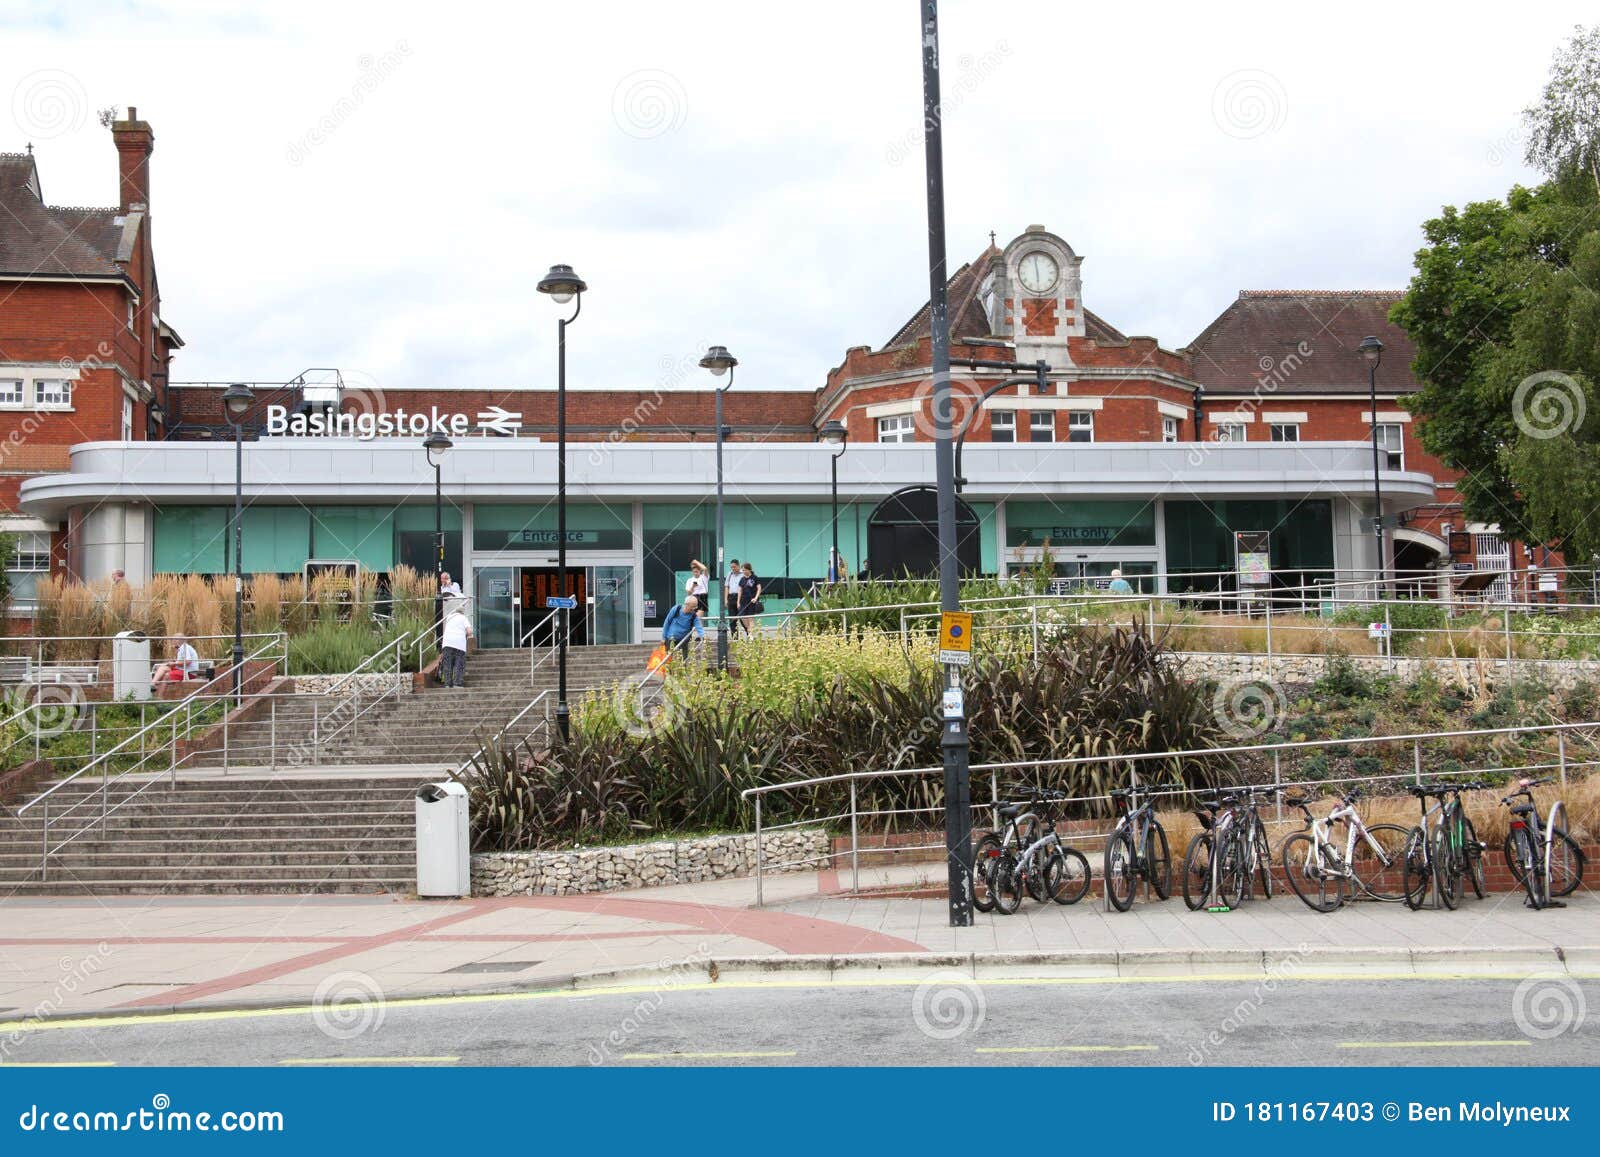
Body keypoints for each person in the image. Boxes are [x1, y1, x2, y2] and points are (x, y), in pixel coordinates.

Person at [439, 605, 473, 688]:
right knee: (459, 663)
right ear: (462, 612)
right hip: (459, 644)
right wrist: (468, 634)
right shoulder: (463, 618)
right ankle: (457, 683)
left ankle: (447, 684)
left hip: (447, 643)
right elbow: (469, 631)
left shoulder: (449, 617)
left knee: (447, 663)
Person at [661, 594, 704, 658]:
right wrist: (663, 638)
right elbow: (667, 623)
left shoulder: (693, 616)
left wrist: (703, 636)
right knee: (668, 659)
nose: (694, 609)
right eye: (692, 606)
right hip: (670, 639)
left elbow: (698, 627)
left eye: (695, 607)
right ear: (686, 605)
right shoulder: (676, 609)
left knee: (684, 660)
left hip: (683, 640)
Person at [737, 562, 764, 636]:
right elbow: (739, 590)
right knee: (742, 616)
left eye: (745, 570)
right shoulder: (742, 579)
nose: (744, 572)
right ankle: (750, 632)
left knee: (750, 618)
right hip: (743, 601)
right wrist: (738, 602)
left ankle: (751, 635)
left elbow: (759, 588)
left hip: (751, 601)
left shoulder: (754, 577)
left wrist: (756, 598)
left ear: (749, 570)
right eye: (742, 570)